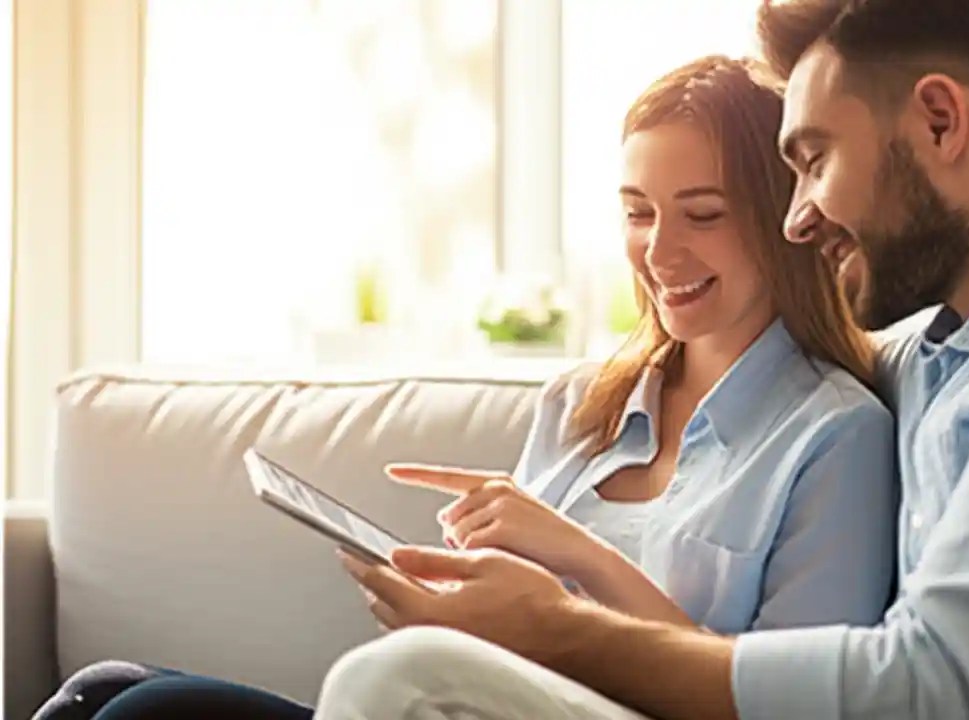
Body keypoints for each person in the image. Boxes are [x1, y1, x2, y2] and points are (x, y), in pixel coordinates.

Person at [319, 0, 969, 718]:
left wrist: (556, 628)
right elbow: (792, 365)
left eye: (815, 158)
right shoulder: (946, 352)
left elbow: (934, 685)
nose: (796, 214)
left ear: (941, 122)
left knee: (402, 683)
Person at [33, 54, 897, 720]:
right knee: (115, 694)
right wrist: (453, 606)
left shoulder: (835, 436)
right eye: (639, 212)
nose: (660, 252)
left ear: (789, 221)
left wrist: (573, 557)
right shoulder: (579, 406)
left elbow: (791, 699)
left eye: (702, 215)